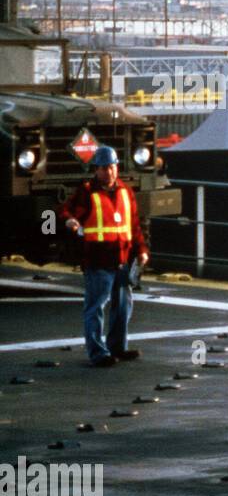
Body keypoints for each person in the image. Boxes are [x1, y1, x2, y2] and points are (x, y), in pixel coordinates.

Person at [58, 145, 149, 367]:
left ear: (116, 168)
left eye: (111, 167)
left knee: (123, 306)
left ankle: (117, 347)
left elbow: (134, 226)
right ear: (96, 170)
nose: (108, 172)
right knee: (96, 306)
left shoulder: (126, 192)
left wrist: (142, 251)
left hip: (122, 260)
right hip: (98, 260)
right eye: (103, 168)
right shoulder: (87, 193)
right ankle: (98, 352)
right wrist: (69, 221)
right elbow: (62, 211)